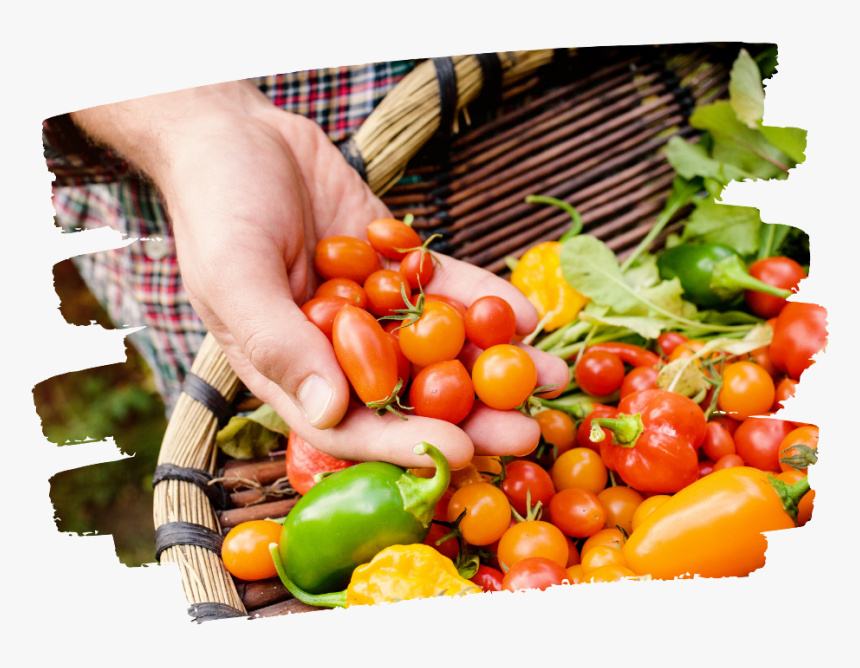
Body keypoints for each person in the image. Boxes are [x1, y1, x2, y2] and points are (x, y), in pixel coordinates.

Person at [45, 62, 568, 470]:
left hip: (517, 141)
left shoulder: (399, 305)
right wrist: (201, 118)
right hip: (191, 210)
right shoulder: (375, 304)